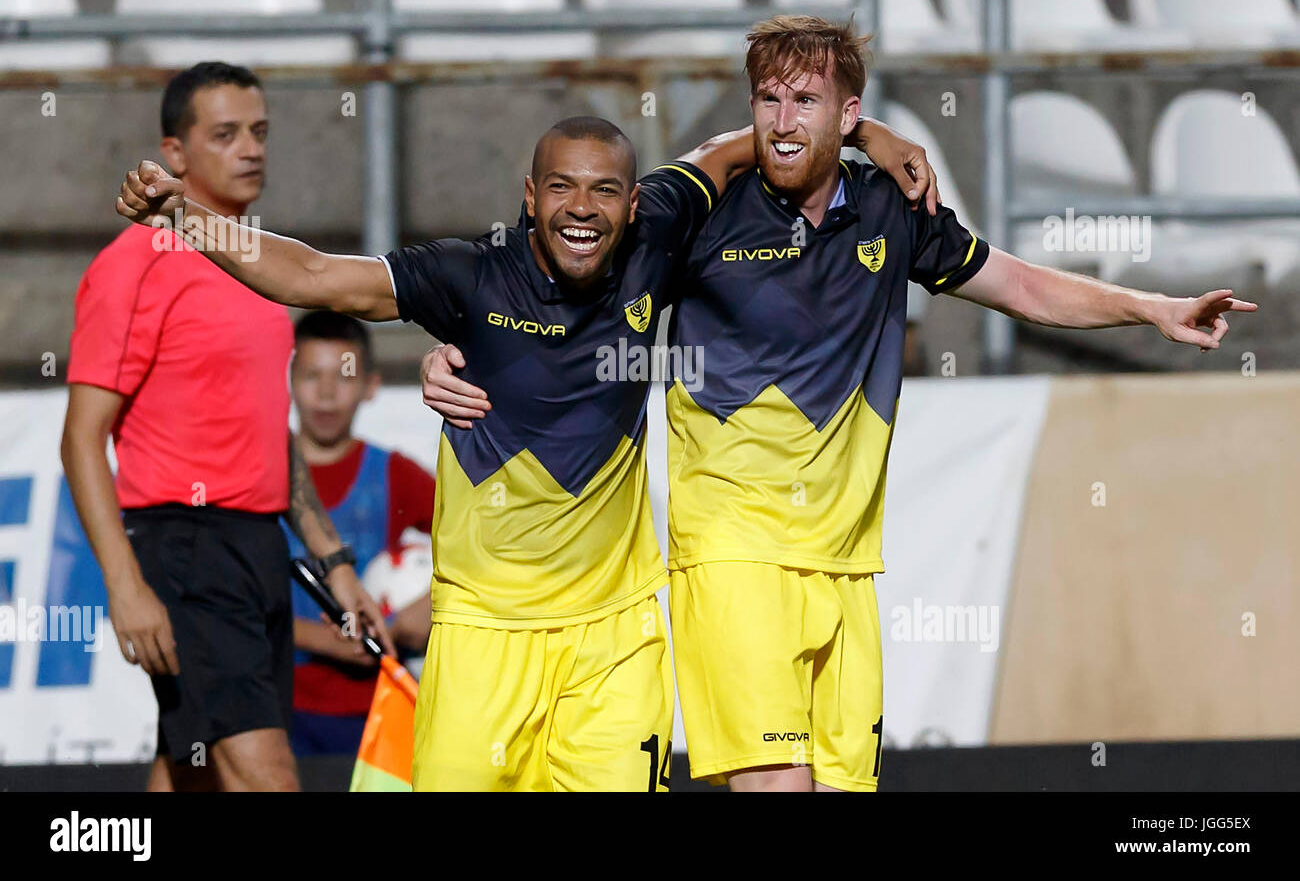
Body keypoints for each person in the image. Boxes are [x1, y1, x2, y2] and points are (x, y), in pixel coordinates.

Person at [421, 15, 1258, 793]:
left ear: (847, 111)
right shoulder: (699, 213)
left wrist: (1152, 308)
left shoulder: (893, 207)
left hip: (846, 562)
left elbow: (1024, 285)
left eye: (807, 101)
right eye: (769, 100)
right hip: (733, 556)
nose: (783, 121)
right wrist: (450, 352)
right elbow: (570, 275)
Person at [110, 110, 935, 790]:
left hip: (616, 640)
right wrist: (186, 216)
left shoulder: (659, 230)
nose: (584, 207)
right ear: (530, 196)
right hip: (481, 637)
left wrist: (869, 136)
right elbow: (316, 275)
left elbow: (735, 148)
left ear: (634, 203)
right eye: (563, 188)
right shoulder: (470, 275)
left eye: (605, 189)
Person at [63, 61, 393, 792]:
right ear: (174, 154)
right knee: (266, 775)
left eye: (260, 132)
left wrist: (334, 562)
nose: (252, 149)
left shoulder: (259, 270)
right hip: (184, 547)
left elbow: (270, 433)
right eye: (226, 134)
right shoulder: (134, 264)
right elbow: (81, 437)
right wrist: (125, 584)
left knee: (193, 767)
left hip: (257, 547)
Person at [285, 310, 436, 757]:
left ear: (371, 386)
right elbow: (228, 599)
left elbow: (482, 547)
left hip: (380, 710)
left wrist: (435, 605)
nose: (327, 393)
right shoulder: (257, 475)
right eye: (312, 375)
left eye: (343, 376)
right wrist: (318, 638)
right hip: (278, 709)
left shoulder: (397, 474)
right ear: (289, 380)